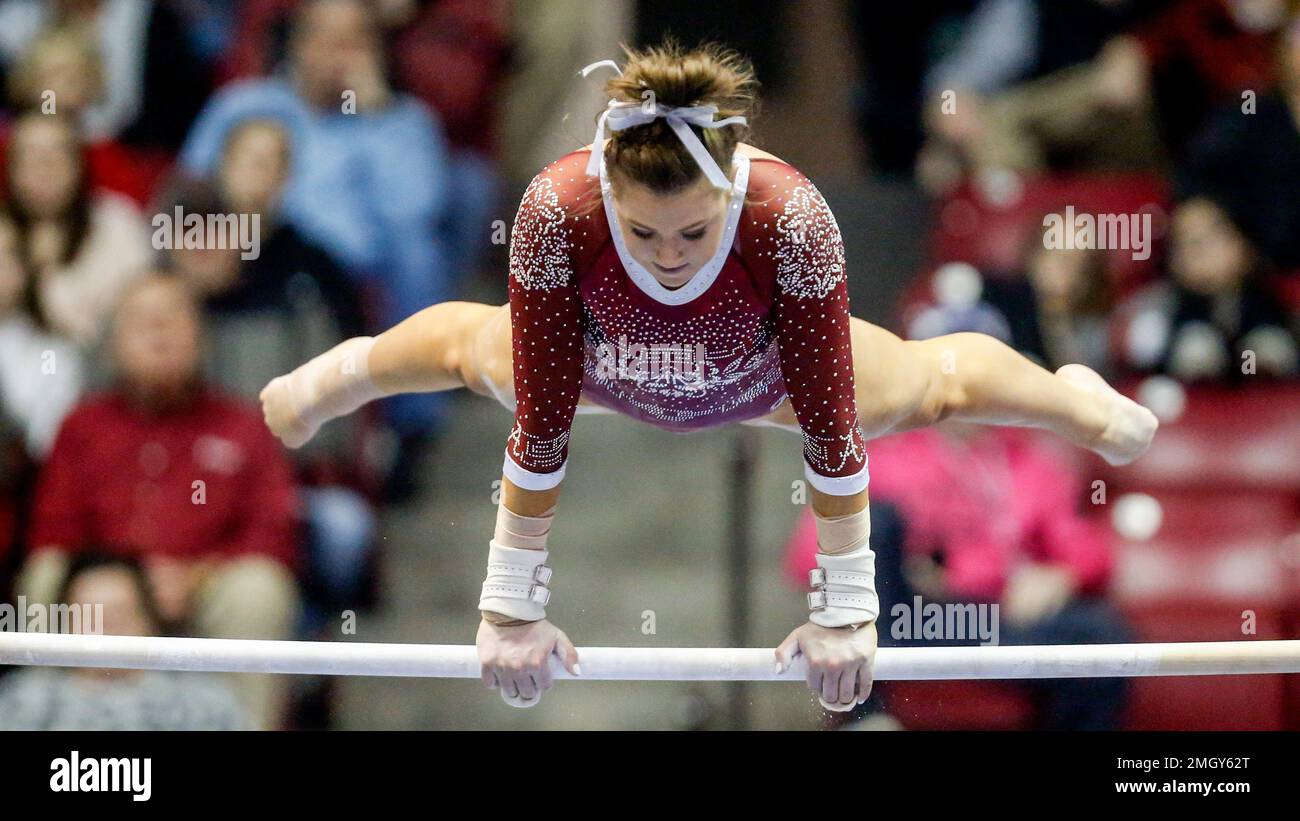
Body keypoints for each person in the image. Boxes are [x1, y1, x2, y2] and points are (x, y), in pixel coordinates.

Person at [258, 41, 1158, 712]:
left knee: (930, 387)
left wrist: (847, 611)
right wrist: (510, 609)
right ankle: (342, 369)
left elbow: (832, 435)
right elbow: (539, 434)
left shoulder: (791, 218)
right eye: (643, 234)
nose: (671, 255)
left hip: (759, 371)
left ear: (729, 190)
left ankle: (1072, 394)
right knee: (472, 352)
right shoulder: (555, 211)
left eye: (693, 233)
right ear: (609, 188)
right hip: (602, 359)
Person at [17, 273, 301, 729]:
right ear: (112, 345)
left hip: (206, 586)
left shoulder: (244, 425)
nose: (160, 332)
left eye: (172, 319)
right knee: (44, 574)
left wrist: (198, 578)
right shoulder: (82, 426)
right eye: (143, 322)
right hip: (102, 582)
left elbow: (272, 533)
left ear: (203, 338)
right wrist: (121, 581)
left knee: (260, 589)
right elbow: (54, 529)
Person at [0, 553, 250, 730]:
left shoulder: (205, 702)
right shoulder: (22, 701)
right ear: (64, 625)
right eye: (93, 618)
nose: (108, 630)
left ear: (149, 621)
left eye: (120, 613)